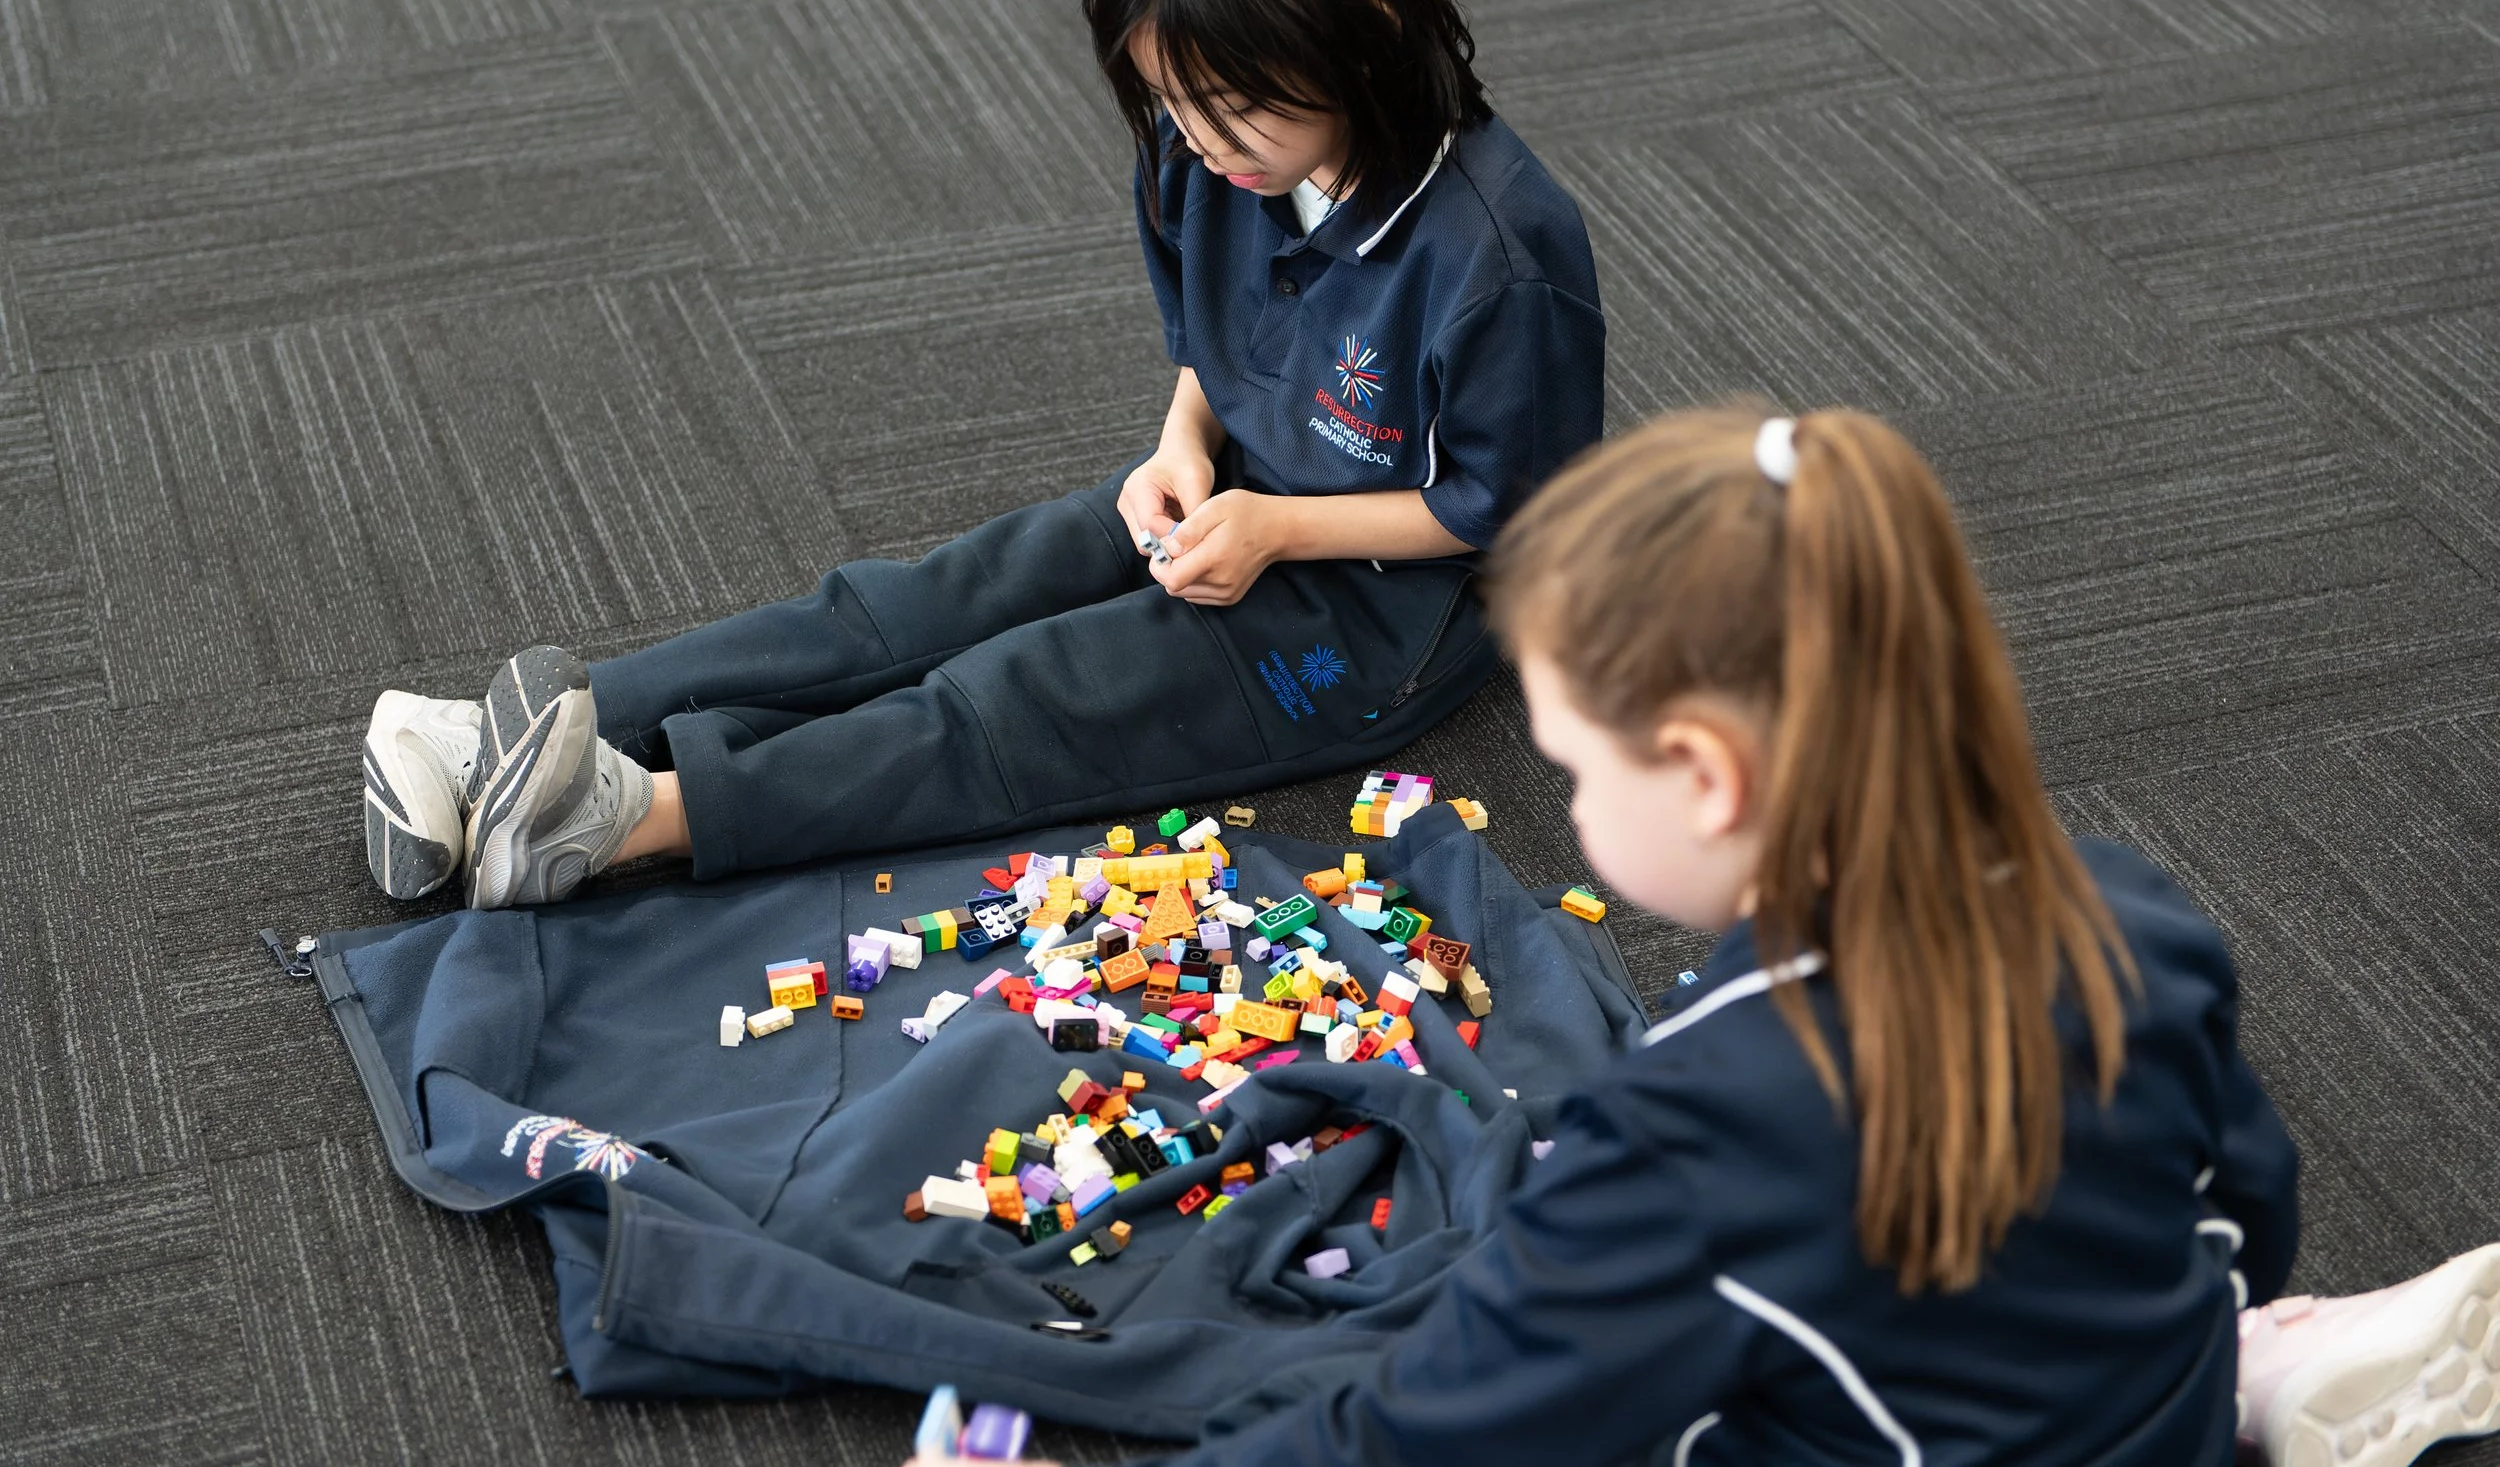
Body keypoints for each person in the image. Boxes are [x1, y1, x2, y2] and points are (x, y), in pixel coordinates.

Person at [907, 407, 2500, 1467]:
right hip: (2137, 1402)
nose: (1566, 798)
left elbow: (1434, 1428)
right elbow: (2250, 1199)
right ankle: (2238, 1374)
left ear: (1708, 776)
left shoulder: (1697, 1131)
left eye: (1579, 766)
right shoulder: (2120, 904)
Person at [357, 0, 1605, 907]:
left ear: (1366, 35)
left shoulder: (1501, 254)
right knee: (920, 606)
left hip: (1396, 607)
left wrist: (1277, 532)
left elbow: (1509, 514)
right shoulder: (1211, 155)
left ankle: (619, 822)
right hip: (1236, 500)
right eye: (1171, 100)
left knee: (1030, 697)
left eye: (1232, 107)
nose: (1197, 138)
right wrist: (1184, 443)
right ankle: (511, 740)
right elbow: (1223, 339)